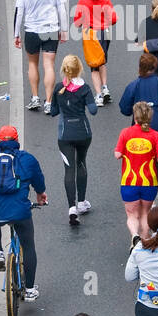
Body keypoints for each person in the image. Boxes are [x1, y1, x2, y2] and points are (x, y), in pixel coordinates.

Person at [0, 124, 47, 302]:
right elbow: (39, 182)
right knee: (28, 246)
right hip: (20, 212)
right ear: (17, 141)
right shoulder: (27, 159)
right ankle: (30, 289)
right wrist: (41, 196)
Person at [119, 52, 158, 209]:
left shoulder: (134, 85)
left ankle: (148, 197)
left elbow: (124, 108)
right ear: (154, 67)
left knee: (142, 161)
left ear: (140, 68)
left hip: (139, 131)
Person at [14, 0, 69, 113]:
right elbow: (62, 8)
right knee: (49, 65)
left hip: (32, 30)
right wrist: (63, 29)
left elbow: (19, 13)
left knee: (32, 63)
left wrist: (16, 34)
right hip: (50, 29)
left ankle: (35, 97)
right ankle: (49, 101)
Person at [53, 54, 97, 227]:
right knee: (81, 164)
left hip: (65, 135)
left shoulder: (58, 88)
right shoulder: (85, 88)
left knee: (69, 169)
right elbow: (93, 110)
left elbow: (54, 112)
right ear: (80, 69)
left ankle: (72, 207)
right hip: (83, 132)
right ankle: (82, 202)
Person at [115, 104, 158, 241]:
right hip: (149, 181)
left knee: (132, 215)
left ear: (135, 116)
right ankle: (145, 241)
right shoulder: (155, 135)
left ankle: (135, 236)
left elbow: (117, 154)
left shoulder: (125, 133)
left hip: (129, 180)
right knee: (145, 213)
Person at [73, 0, 118, 104]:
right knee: (102, 60)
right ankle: (105, 88)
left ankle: (98, 96)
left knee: (94, 66)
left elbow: (77, 22)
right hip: (105, 33)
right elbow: (114, 19)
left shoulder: (83, 2)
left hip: (91, 33)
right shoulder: (105, 0)